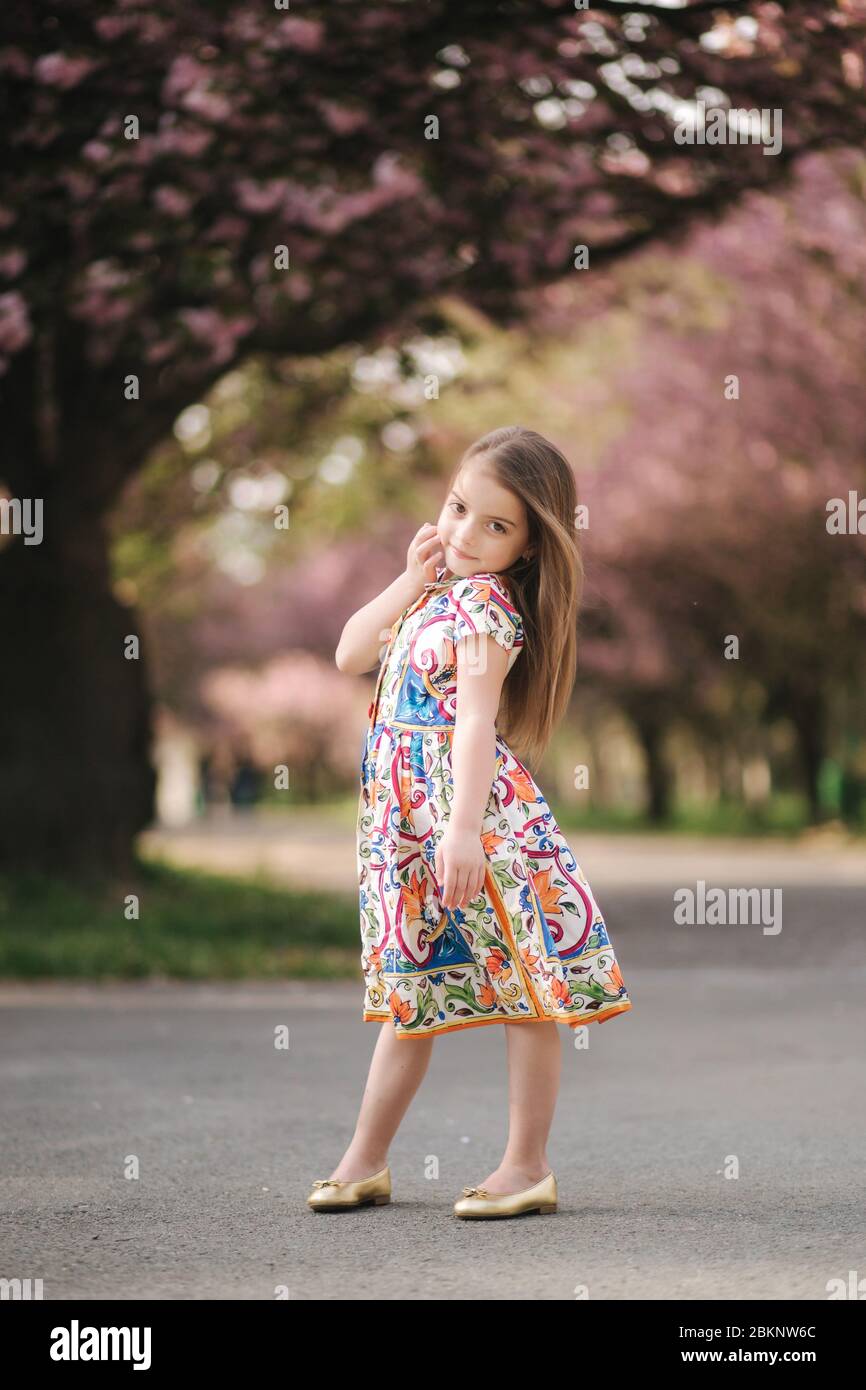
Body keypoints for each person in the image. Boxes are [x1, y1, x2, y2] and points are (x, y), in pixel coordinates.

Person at [308, 425, 632, 1219]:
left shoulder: (487, 609)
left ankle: (527, 1167)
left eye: (496, 526)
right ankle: (365, 1161)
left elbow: (475, 726)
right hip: (406, 825)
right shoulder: (435, 596)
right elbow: (351, 652)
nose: (466, 534)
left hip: (476, 821)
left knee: (524, 988)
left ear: (527, 547)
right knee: (413, 987)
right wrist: (406, 579)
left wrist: (461, 833)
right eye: (458, 509)